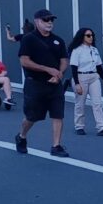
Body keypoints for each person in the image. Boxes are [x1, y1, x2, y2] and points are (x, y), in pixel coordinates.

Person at [16, 9, 70, 157]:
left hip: (55, 84)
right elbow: (24, 61)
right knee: (32, 117)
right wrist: (47, 69)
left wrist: (59, 74)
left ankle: (56, 146)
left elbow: (64, 60)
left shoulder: (58, 40)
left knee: (58, 115)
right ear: (37, 21)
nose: (49, 23)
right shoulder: (29, 39)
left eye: (51, 20)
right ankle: (21, 136)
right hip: (35, 84)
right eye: (46, 20)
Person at [68, 27, 103, 137]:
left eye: (92, 35)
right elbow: (73, 67)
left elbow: (99, 67)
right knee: (80, 103)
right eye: (88, 35)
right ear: (82, 37)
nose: (91, 37)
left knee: (97, 102)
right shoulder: (77, 50)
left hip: (93, 77)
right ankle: (79, 126)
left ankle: (101, 127)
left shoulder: (94, 50)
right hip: (81, 76)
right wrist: (77, 83)